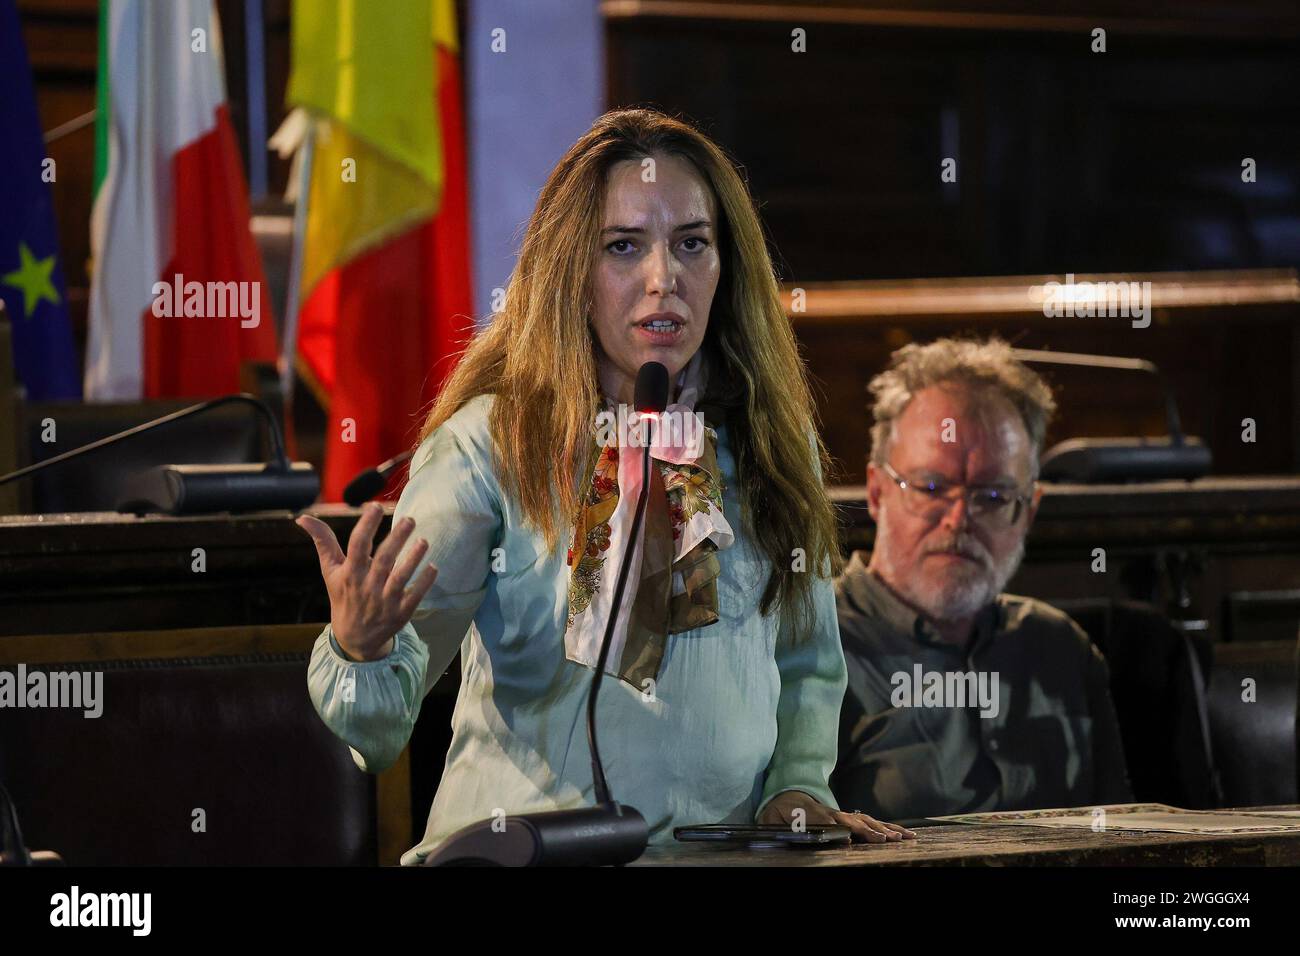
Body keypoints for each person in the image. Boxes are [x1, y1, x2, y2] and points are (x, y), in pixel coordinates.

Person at [296, 107, 916, 863]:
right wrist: (362, 652)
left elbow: (808, 664)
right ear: (572, 274)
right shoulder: (489, 446)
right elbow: (378, 729)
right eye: (623, 247)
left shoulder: (770, 445)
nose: (665, 280)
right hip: (523, 860)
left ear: (728, 266)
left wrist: (797, 786)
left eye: (693, 244)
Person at [831, 337, 1133, 820]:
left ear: (1027, 512)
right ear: (876, 491)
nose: (958, 519)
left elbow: (1130, 839)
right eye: (931, 487)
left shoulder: (1058, 649)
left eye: (992, 496)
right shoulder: (810, 645)